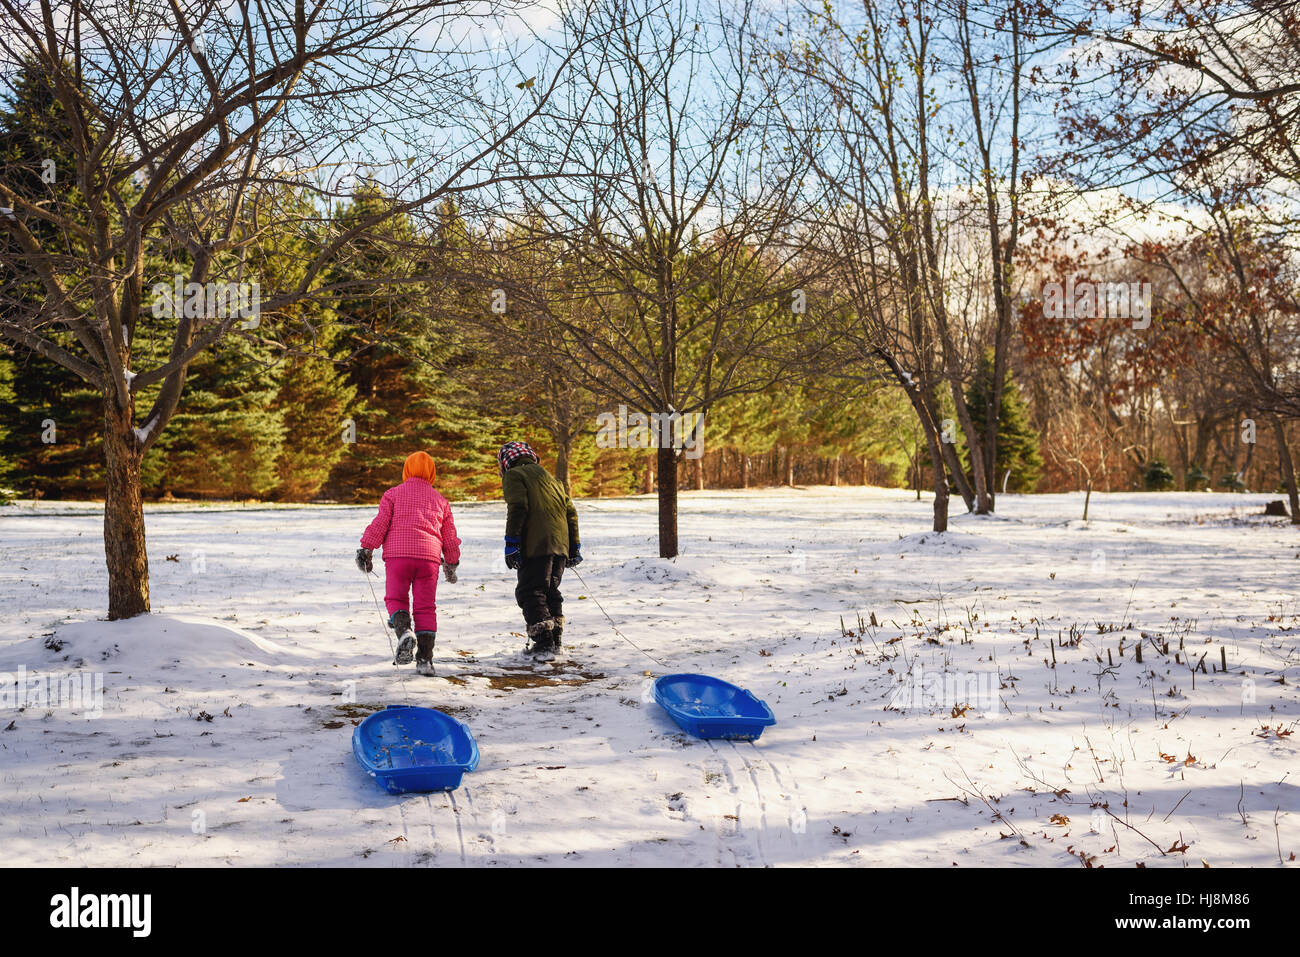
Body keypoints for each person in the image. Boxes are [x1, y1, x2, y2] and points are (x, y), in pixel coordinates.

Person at [356, 451, 460, 676]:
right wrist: (451, 562)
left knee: (396, 598)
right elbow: (450, 536)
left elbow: (380, 523)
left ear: (406, 471)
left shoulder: (393, 494)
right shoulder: (441, 501)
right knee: (425, 607)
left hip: (398, 557)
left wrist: (367, 548)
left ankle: (404, 632)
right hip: (429, 560)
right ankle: (425, 660)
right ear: (432, 474)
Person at [498, 441, 581, 660]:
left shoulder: (514, 475)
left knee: (530, 591)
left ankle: (544, 644)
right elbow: (571, 513)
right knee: (550, 591)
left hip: (535, 545)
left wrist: (511, 543)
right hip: (559, 545)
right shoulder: (553, 480)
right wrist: (573, 547)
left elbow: (518, 507)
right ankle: (556, 642)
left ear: (505, 462)